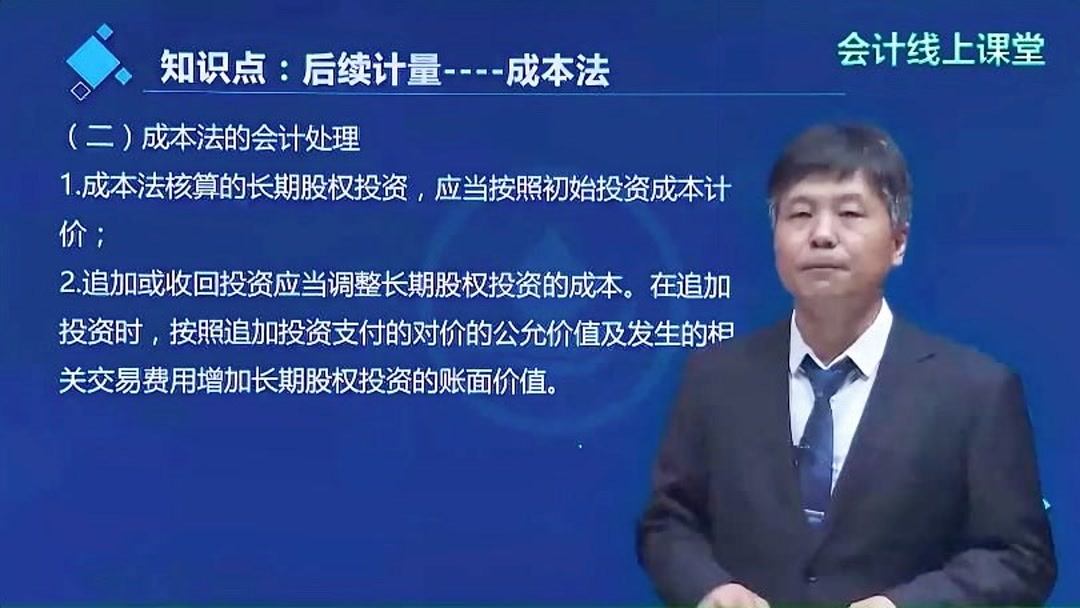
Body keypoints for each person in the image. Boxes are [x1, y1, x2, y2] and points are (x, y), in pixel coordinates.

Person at [635, 123, 1056, 607]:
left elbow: (1020, 558)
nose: (822, 235)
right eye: (800, 214)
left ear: (898, 241)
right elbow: (668, 522)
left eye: (850, 213)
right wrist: (709, 588)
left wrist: (904, 606)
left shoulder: (975, 392)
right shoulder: (715, 378)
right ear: (774, 237)